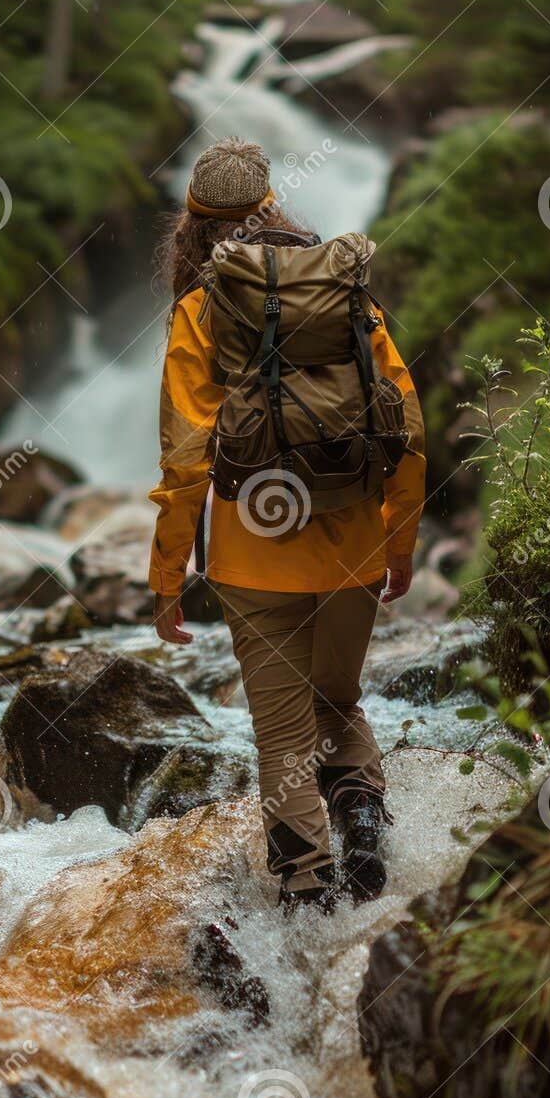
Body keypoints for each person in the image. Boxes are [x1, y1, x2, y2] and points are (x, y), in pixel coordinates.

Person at [148, 137, 426, 913]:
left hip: (252, 555)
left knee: (282, 732)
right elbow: (407, 422)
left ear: (194, 224)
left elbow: (185, 461)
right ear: (272, 205)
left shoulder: (200, 308)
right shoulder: (343, 292)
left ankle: (307, 890)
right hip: (354, 542)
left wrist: (167, 578)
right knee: (338, 700)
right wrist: (398, 542)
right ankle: (364, 822)